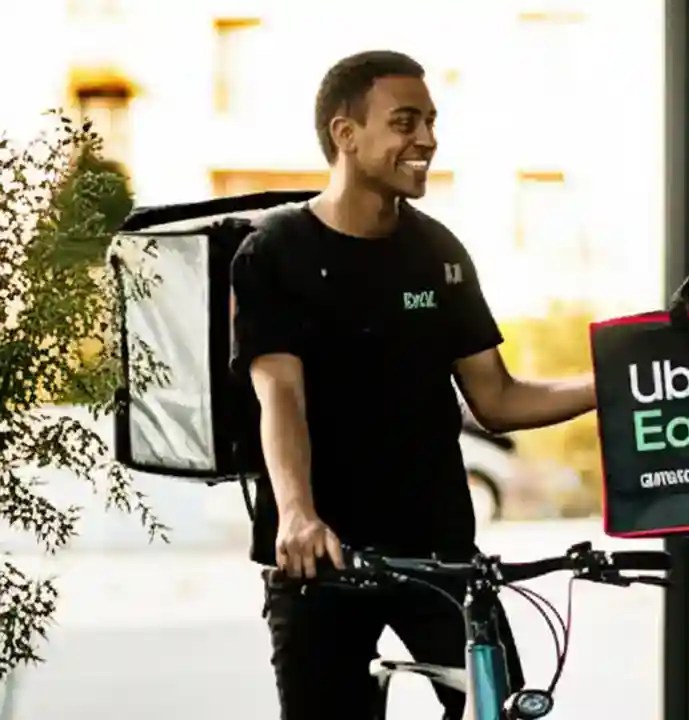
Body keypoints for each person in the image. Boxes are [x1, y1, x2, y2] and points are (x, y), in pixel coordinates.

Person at [228, 50, 596, 720]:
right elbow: (281, 395)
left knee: (505, 711)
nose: (426, 139)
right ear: (346, 134)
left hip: (441, 556)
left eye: (430, 122)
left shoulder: (438, 251)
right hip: (324, 562)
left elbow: (498, 399)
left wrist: (613, 384)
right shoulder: (276, 250)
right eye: (405, 122)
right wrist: (297, 513)